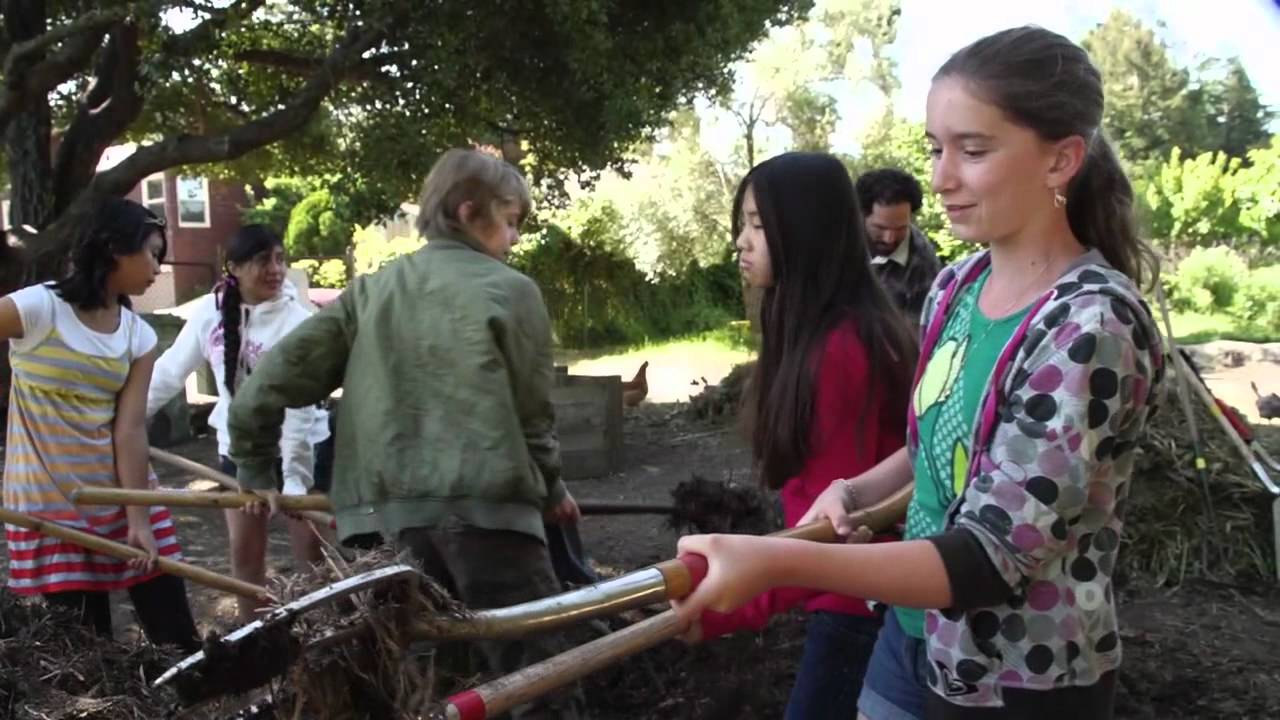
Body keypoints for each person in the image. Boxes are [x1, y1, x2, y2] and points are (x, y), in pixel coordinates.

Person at [672, 26, 1165, 720]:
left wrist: (773, 561)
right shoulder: (956, 287)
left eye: (974, 149)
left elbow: (985, 558)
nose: (940, 178)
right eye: (938, 149)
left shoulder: (1090, 327)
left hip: (1020, 678)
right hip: (914, 638)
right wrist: (853, 486)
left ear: (1061, 161)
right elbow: (942, 444)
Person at [225, 148, 583, 719]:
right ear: (469, 212)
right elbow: (532, 412)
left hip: (380, 526)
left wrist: (254, 468)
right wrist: (552, 488)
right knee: (534, 671)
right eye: (511, 221)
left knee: (420, 679)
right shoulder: (511, 290)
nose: (515, 238)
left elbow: (264, 387)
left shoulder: (370, 292)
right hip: (485, 512)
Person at [684, 152, 916, 719]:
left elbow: (834, 531)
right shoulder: (816, 332)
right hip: (848, 594)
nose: (741, 242)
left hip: (862, 605)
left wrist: (726, 606)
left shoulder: (844, 352)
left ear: (805, 229)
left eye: (758, 225)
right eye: (743, 224)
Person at [0, 198, 200, 651]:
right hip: (49, 504)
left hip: (120, 493)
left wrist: (140, 518)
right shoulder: (38, 308)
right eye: (151, 252)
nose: (157, 266)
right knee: (86, 650)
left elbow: (129, 430)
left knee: (177, 635)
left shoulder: (137, 335)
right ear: (113, 248)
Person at [146, 224, 331, 621]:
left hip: (303, 450)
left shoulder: (301, 320)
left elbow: (299, 408)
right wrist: (122, 420)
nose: (275, 269)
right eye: (263, 260)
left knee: (314, 555)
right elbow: (168, 373)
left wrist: (295, 480)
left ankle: (325, 639)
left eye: (280, 259)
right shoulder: (209, 314)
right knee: (246, 555)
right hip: (241, 454)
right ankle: (256, 639)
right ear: (233, 267)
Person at [856, 168, 942, 323]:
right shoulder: (836, 243)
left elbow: (917, 332)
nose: (890, 239)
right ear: (860, 215)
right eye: (880, 228)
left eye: (901, 229)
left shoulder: (922, 263)